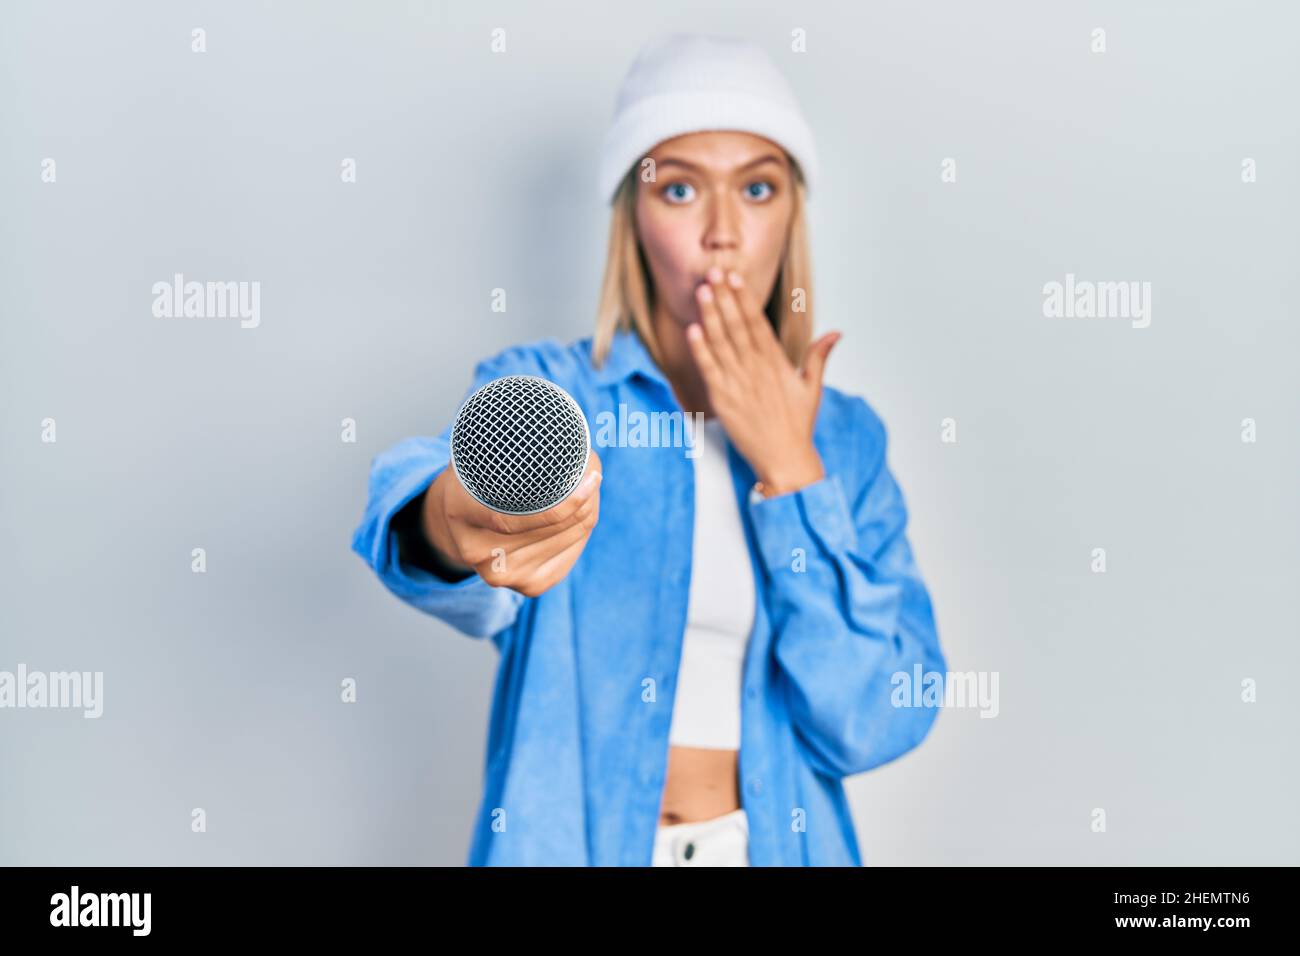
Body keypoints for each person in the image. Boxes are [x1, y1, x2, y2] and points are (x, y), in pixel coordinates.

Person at [351, 32, 946, 866]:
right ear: (633, 217)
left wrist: (791, 470)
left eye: (758, 188)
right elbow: (412, 513)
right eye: (677, 190)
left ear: (792, 215)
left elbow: (877, 718)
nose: (722, 234)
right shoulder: (554, 395)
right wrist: (460, 519)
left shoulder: (843, 442)